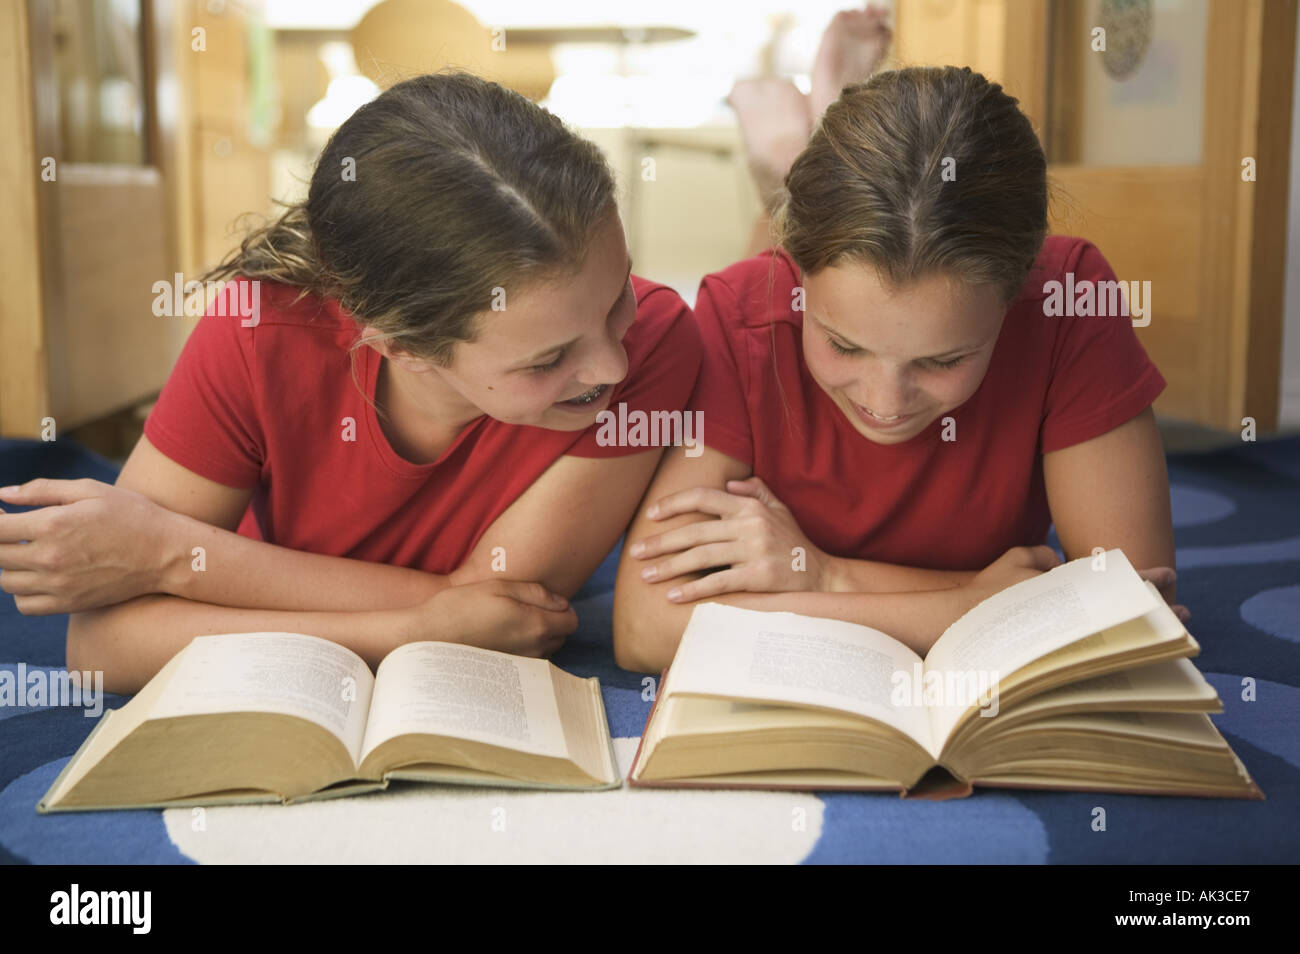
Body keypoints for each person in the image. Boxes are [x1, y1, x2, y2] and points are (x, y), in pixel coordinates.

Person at [0, 72, 701, 693]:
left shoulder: (656, 339)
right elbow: (104, 645)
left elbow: (506, 609)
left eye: (616, 299)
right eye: (546, 361)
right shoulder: (259, 334)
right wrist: (404, 632)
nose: (612, 365)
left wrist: (169, 555)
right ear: (399, 345)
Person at [613, 55, 1181, 674]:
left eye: (943, 359)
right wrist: (969, 604)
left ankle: (787, 155)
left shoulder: (1066, 299)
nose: (885, 403)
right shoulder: (741, 315)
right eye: (844, 345)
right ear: (796, 271)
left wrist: (827, 576)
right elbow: (646, 628)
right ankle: (782, 164)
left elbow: (1133, 609)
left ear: (1019, 289)